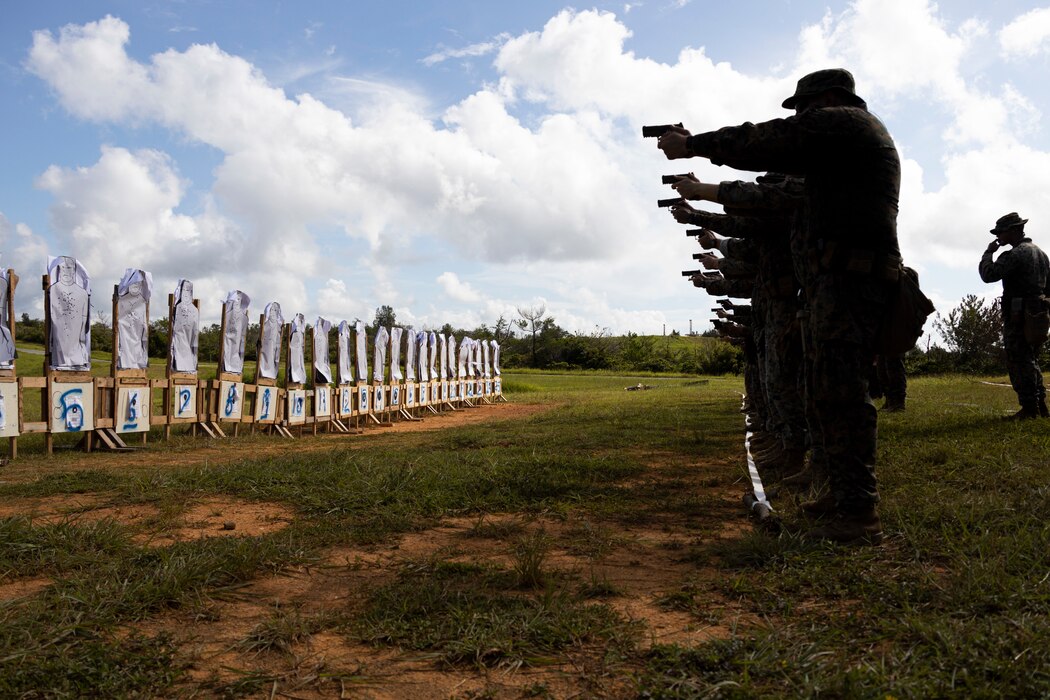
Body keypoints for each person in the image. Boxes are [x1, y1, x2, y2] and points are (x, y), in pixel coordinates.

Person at [658, 68, 900, 545]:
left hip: (850, 279)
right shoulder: (837, 150)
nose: (802, 117)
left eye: (805, 107)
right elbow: (768, 200)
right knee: (828, 392)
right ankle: (840, 496)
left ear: (832, 98)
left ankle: (857, 513)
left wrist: (695, 144)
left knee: (843, 396)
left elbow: (769, 141)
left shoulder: (845, 125)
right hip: (837, 281)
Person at [979, 212, 1050, 419]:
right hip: (1038, 314)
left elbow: (988, 274)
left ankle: (1029, 408)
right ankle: (1040, 405)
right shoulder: (1041, 254)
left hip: (1019, 314)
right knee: (1031, 358)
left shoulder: (1015, 254)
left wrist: (988, 253)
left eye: (1001, 232)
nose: (998, 236)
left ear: (1013, 230)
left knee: (1019, 359)